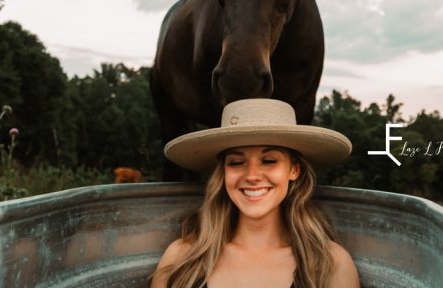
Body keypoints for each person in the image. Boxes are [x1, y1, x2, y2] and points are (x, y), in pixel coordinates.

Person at [150, 98, 360, 288]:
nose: (252, 175)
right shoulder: (180, 258)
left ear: (294, 170)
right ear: (223, 172)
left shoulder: (331, 263)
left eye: (269, 161)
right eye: (237, 162)